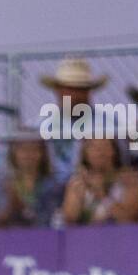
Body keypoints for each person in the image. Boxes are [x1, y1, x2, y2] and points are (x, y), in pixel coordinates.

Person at [38, 56, 109, 185]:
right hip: (49, 189)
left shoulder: (108, 124)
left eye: (81, 89)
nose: (75, 95)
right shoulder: (40, 125)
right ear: (57, 90)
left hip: (94, 187)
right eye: (69, 89)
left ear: (89, 92)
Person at [0, 133, 61, 230]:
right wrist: (9, 211)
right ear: (13, 153)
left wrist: (24, 210)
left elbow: (53, 223)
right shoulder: (0, 184)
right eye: (23, 150)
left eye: (34, 150)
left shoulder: (52, 186)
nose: (28, 155)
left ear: (43, 154)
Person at [62, 136, 138, 225]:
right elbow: (69, 220)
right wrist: (80, 196)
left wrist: (102, 194)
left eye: (104, 146)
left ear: (114, 150)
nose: (100, 152)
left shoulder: (130, 180)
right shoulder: (77, 182)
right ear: (85, 153)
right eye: (94, 147)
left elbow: (129, 220)